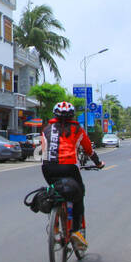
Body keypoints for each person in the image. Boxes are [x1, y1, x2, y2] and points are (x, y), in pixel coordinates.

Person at [40, 101, 103, 251]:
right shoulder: (77, 129)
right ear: (72, 116)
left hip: (48, 168)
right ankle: (75, 231)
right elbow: (88, 149)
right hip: (69, 167)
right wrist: (98, 163)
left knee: (55, 192)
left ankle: (55, 227)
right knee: (78, 195)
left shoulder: (46, 129)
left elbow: (43, 150)